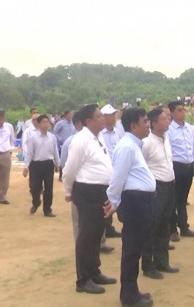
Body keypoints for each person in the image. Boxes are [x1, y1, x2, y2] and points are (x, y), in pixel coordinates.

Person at [62, 104, 118, 295]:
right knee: (87, 236)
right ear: (88, 121)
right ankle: (83, 280)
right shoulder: (80, 140)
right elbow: (69, 169)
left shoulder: (98, 137)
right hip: (87, 191)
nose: (103, 118)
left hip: (101, 191)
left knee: (97, 233)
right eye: (99, 116)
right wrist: (68, 190)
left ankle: (94, 272)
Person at [104, 108, 156, 307]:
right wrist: (113, 202)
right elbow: (117, 178)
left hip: (141, 201)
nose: (148, 125)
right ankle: (129, 296)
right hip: (135, 202)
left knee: (135, 249)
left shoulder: (134, 145)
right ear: (134, 125)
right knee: (132, 250)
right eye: (145, 121)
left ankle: (132, 291)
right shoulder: (127, 146)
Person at [141, 106, 180, 280]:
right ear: (154, 123)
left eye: (168, 118)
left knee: (165, 225)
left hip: (170, 185)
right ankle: (148, 266)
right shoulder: (147, 143)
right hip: (156, 187)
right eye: (164, 119)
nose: (168, 121)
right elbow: (141, 166)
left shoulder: (165, 139)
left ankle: (162, 262)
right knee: (152, 227)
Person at [166, 101, 194, 241]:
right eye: (179, 110)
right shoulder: (169, 130)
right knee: (173, 200)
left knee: (183, 199)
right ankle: (172, 230)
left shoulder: (189, 128)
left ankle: (184, 227)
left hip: (188, 167)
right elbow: (168, 151)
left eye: (183, 110)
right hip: (176, 167)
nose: (183, 112)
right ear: (172, 113)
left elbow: (193, 148)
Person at [23, 114, 60, 217]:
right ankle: (36, 202)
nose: (46, 124)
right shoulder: (33, 138)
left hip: (48, 164)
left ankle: (47, 209)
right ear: (39, 124)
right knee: (34, 187)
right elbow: (29, 153)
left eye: (47, 122)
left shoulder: (52, 137)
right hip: (36, 165)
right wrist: (26, 166)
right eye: (43, 122)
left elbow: (55, 151)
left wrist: (58, 163)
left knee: (49, 188)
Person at [100, 104, 124, 238]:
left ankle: (109, 227)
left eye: (114, 115)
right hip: (105, 171)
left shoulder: (118, 132)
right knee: (105, 199)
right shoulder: (100, 134)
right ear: (104, 117)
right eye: (110, 115)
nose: (113, 117)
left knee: (115, 198)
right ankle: (105, 227)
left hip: (117, 170)